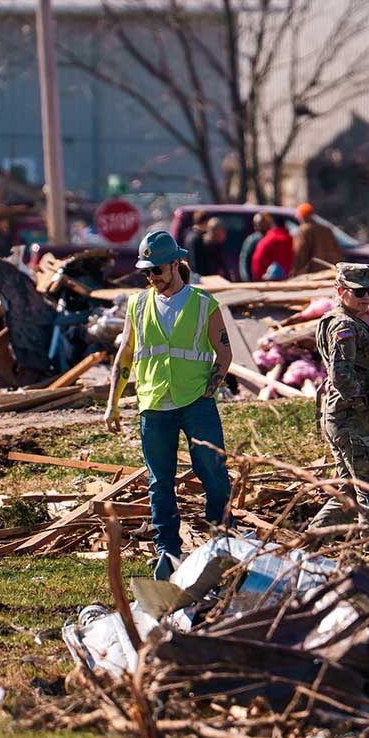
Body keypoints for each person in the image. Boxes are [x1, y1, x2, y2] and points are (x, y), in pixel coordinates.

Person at [104, 230, 234, 579]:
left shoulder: (204, 303)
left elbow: (224, 352)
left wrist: (211, 388)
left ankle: (220, 542)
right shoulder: (137, 304)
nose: (152, 277)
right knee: (160, 481)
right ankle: (168, 550)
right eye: (147, 271)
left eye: (157, 270)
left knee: (214, 475)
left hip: (196, 402)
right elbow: (125, 355)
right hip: (153, 403)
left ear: (176, 264)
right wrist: (112, 404)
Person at [309, 263, 369, 530]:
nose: (366, 297)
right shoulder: (344, 326)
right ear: (340, 291)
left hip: (346, 418)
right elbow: (341, 374)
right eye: (359, 291)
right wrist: (365, 402)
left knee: (350, 492)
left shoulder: (348, 321)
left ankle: (310, 544)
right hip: (354, 420)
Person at [291, 202, 343, 277]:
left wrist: (295, 271)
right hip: (331, 272)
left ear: (301, 216)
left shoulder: (304, 230)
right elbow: (337, 251)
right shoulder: (326, 229)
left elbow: (300, 253)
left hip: (314, 274)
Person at [251, 215, 295, 281]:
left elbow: (257, 261)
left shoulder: (267, 240)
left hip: (268, 283)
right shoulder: (291, 240)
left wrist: (257, 278)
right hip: (288, 281)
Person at [185, 216, 230, 280]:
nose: (224, 236)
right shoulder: (198, 242)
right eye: (222, 232)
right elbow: (196, 267)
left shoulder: (217, 246)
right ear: (216, 231)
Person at [239, 212, 271, 281]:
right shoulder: (252, 241)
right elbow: (244, 261)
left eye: (264, 222)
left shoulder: (271, 238)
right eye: (259, 223)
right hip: (255, 280)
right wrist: (247, 279)